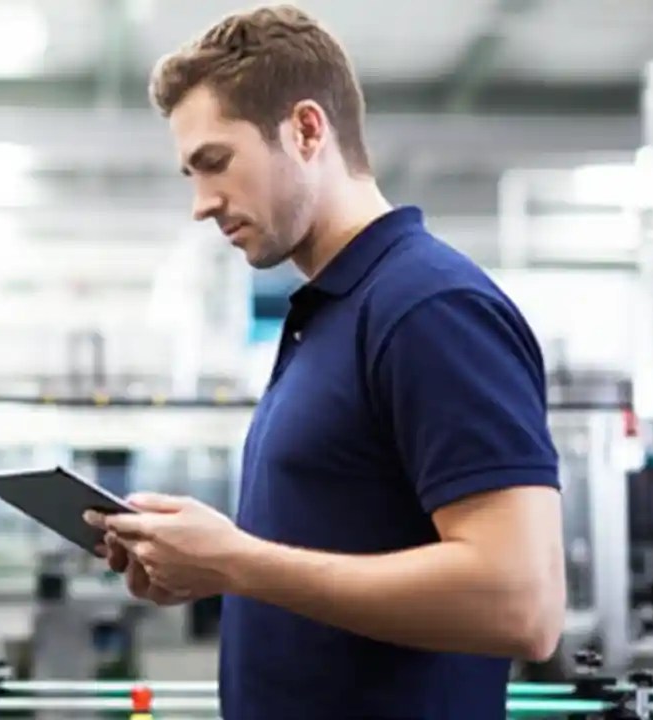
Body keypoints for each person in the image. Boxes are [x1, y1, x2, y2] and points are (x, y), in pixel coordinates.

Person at [83, 5, 566, 719]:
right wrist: (207, 566)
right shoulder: (330, 312)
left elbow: (520, 603)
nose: (201, 203)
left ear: (307, 130)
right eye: (189, 173)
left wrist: (237, 563)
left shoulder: (426, 308)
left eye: (216, 163)